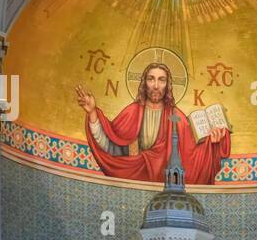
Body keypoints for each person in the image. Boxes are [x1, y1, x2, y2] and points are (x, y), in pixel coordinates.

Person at [77, 62, 229, 184]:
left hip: (167, 187)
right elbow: (111, 146)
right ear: (145, 83)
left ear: (167, 85)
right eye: (151, 79)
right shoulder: (132, 112)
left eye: (161, 80)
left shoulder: (177, 118)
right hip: (134, 180)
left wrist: (213, 143)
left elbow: (192, 159)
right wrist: (92, 113)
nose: (156, 85)